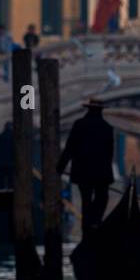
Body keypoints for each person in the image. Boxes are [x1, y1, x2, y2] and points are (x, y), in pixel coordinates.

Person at [57, 97, 114, 236]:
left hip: (83, 173)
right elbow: (109, 154)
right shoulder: (107, 128)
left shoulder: (79, 125)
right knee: (102, 198)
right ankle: (94, 222)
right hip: (101, 174)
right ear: (100, 110)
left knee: (86, 201)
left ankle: (87, 229)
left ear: (89, 109)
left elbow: (69, 149)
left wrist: (59, 168)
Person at [0, 121, 15, 189]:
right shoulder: (13, 137)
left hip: (1, 163)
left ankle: (0, 194)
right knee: (10, 182)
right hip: (11, 163)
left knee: (0, 181)